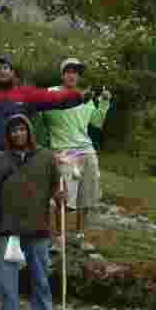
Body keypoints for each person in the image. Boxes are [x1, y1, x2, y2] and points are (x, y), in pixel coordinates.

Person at [0, 114, 65, 310]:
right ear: (8, 135)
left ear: (29, 131)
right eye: (13, 131)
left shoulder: (46, 157)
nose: (17, 134)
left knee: (40, 284)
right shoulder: (0, 161)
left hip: (38, 231)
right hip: (9, 233)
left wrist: (61, 196)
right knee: (8, 287)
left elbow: (57, 187)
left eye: (21, 129)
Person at [45, 58, 111, 237]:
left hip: (86, 149)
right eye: (69, 71)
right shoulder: (52, 93)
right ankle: (59, 237)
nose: (72, 75)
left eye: (76, 72)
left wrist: (104, 103)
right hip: (64, 150)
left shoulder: (86, 98)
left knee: (86, 196)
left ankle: (80, 235)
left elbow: (97, 123)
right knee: (63, 197)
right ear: (62, 74)